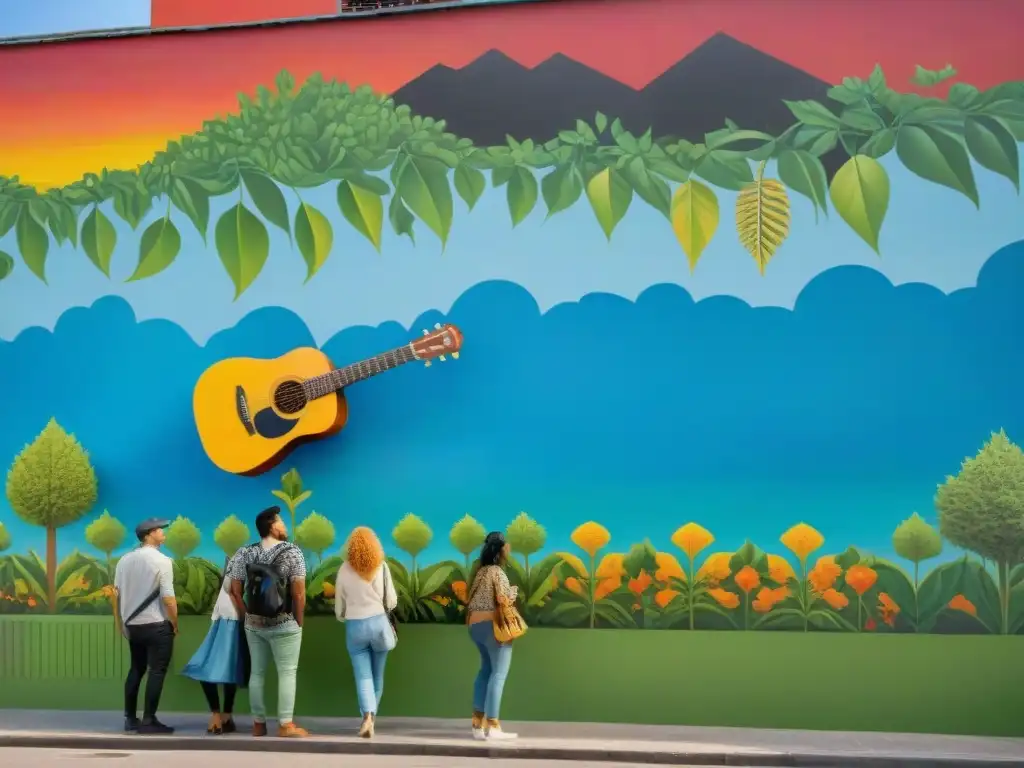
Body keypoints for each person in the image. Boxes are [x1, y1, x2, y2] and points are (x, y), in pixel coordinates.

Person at [227, 506, 309, 738]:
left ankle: (258, 724)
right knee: (287, 672)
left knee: (257, 673)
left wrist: (247, 616)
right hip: (284, 623)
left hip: (254, 624)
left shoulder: (244, 552)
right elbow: (299, 593)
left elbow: (235, 589)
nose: (284, 526)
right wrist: (298, 622)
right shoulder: (293, 552)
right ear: (273, 526)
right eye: (281, 522)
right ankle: (285, 724)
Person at [112, 518, 177, 735]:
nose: (163, 532)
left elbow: (116, 594)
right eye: (159, 530)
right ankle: (149, 720)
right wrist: (174, 623)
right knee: (156, 671)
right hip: (157, 624)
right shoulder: (163, 561)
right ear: (148, 535)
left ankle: (130, 719)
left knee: (136, 669)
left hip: (133, 626)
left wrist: (120, 623)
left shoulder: (124, 560)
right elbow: (168, 598)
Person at [333, 526, 398, 738]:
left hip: (355, 626)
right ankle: (371, 719)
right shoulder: (382, 567)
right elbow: (392, 601)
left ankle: (367, 716)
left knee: (363, 677)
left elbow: (339, 605)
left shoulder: (344, 569)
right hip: (379, 623)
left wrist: (344, 616)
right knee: (378, 675)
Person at [181, 548, 249, 734]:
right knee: (213, 668)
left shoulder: (237, 566)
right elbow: (235, 593)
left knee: (226, 670)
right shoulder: (240, 566)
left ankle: (223, 715)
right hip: (230, 622)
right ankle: (220, 715)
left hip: (226, 620)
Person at [464, 531, 519, 741]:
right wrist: (514, 592)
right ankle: (493, 725)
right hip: (493, 627)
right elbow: (504, 600)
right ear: (501, 550)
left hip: (475, 626)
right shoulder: (497, 572)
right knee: (499, 674)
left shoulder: (480, 571)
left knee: (485, 670)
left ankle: (477, 724)